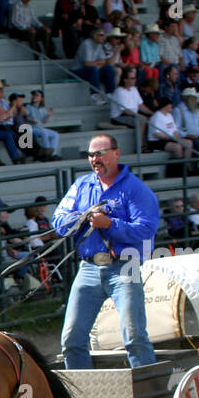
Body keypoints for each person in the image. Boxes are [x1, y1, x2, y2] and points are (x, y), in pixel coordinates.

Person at [52, 134, 161, 370]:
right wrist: (82, 218)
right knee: (71, 338)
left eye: (100, 153)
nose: (95, 159)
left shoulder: (135, 190)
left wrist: (110, 224)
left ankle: (147, 390)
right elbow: (58, 222)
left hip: (124, 266)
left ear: (116, 153)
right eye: (91, 155)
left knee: (133, 336)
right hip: (89, 267)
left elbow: (146, 230)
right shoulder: (82, 185)